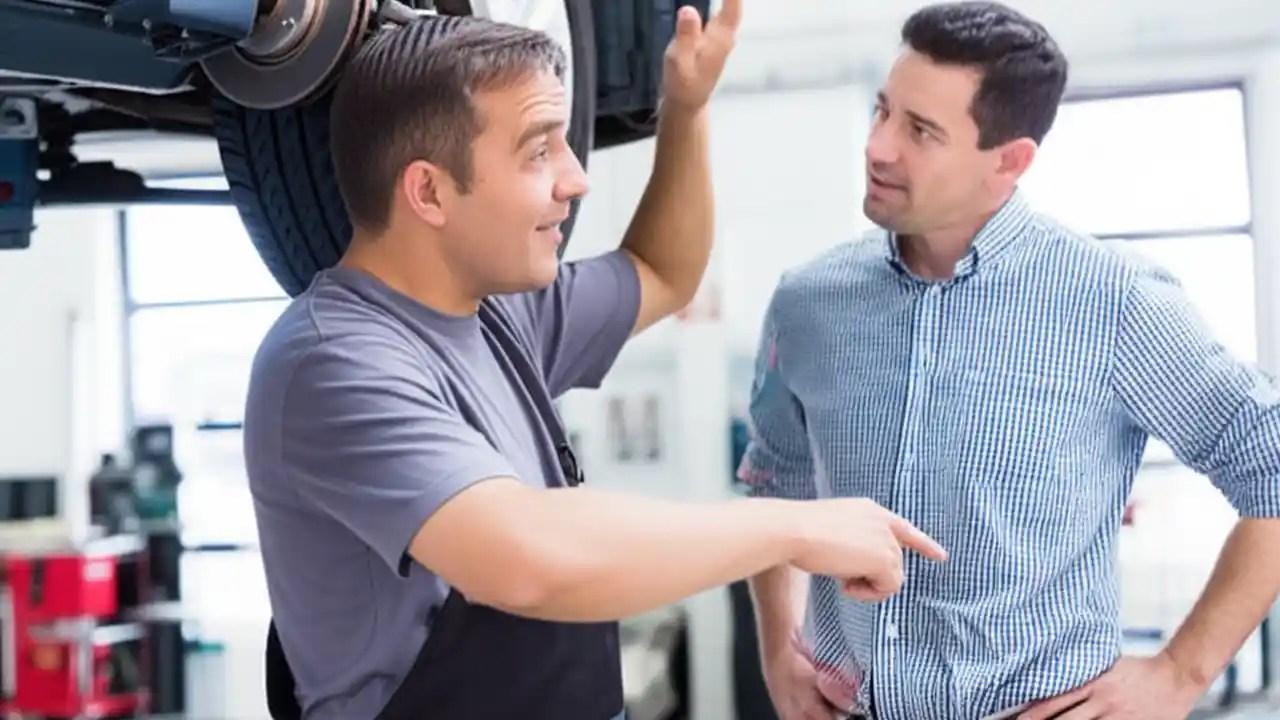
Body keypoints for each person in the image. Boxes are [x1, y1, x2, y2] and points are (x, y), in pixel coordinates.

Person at [242, 5, 948, 720]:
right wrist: (791, 527)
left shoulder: (496, 314)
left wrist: (687, 108)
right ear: (428, 191)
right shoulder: (333, 363)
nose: (576, 180)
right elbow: (525, 559)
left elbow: (663, 270)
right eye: (538, 152)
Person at [740, 2, 1280, 719]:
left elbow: (1270, 465)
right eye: (882, 111)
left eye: (920, 130)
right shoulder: (807, 303)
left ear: (1010, 161)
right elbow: (775, 485)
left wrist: (1180, 672)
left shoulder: (1113, 301)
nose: (877, 146)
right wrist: (780, 651)